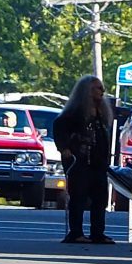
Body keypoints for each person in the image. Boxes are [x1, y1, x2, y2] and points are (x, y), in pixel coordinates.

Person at [52, 75, 118, 244]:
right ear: (87, 91)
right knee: (78, 197)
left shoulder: (101, 113)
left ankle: (98, 233)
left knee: (100, 198)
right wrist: (65, 148)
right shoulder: (73, 113)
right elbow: (59, 127)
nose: (102, 92)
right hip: (79, 161)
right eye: (97, 88)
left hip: (98, 162)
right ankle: (76, 232)